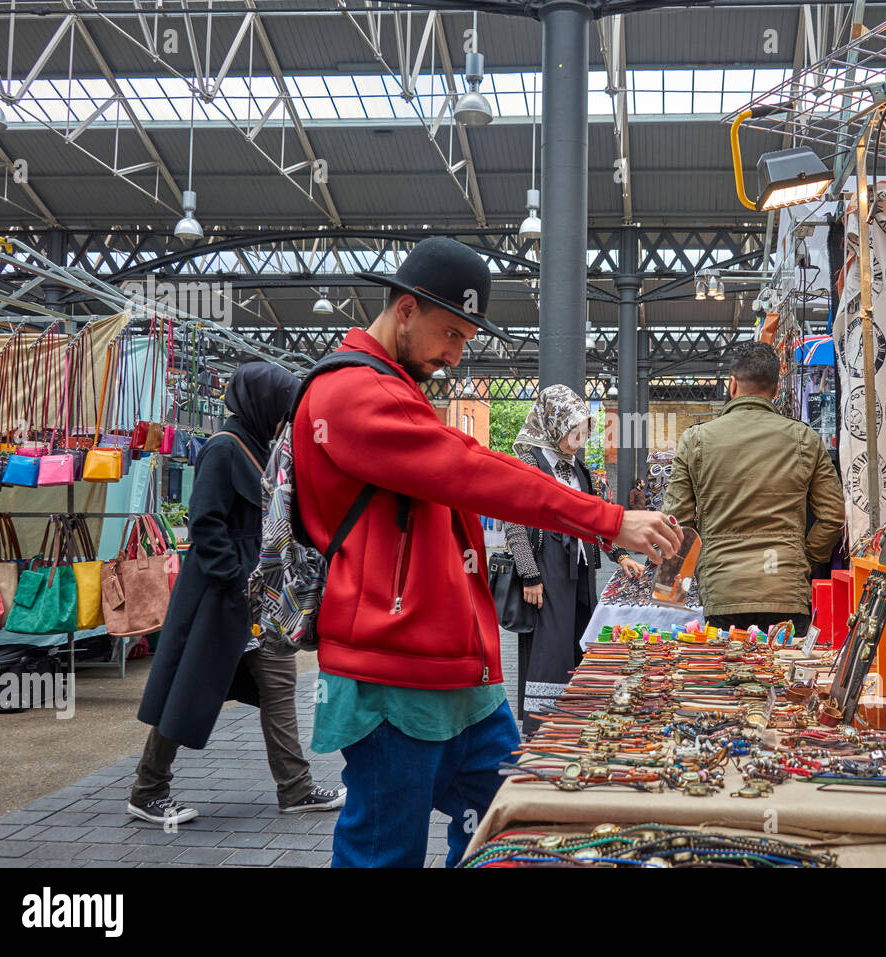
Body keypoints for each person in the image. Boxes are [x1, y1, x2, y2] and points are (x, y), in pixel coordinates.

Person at [293, 237, 681, 868]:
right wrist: (608, 520)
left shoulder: (395, 388)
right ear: (406, 309)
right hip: (394, 674)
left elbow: (471, 471)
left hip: (460, 672)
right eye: (451, 333)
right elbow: (472, 470)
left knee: (510, 829)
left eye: (466, 338)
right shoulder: (350, 394)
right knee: (384, 854)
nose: (456, 353)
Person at [129, 362, 345, 826]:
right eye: (281, 409)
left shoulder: (257, 447)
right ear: (261, 403)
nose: (284, 419)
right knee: (189, 689)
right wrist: (235, 581)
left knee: (278, 685)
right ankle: (148, 790)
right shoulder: (224, 448)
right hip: (220, 597)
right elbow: (205, 524)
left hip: (255, 596)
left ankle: (296, 789)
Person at [662, 341, 845, 635]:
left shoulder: (696, 440)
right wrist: (802, 559)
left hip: (723, 590)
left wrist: (704, 567)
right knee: (786, 665)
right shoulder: (804, 439)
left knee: (728, 664)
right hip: (785, 587)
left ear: (732, 384)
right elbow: (833, 516)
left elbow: (677, 523)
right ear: (776, 389)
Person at [504, 386, 645, 724]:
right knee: (549, 645)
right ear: (553, 424)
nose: (578, 440)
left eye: (583, 432)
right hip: (546, 567)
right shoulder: (530, 464)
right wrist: (530, 575)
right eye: (573, 431)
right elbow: (514, 522)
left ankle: (573, 716)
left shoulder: (578, 469)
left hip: (578, 569)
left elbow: (592, 519)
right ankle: (541, 724)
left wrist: (621, 555)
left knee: (578, 639)